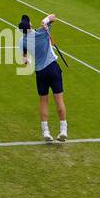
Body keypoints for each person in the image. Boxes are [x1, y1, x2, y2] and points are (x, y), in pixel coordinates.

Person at [19, 14, 67, 143]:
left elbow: (24, 59)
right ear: (30, 25)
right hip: (53, 68)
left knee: (43, 102)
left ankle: (46, 131)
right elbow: (53, 16)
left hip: (40, 72)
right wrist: (45, 21)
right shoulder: (42, 32)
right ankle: (63, 130)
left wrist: (28, 61)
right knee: (59, 99)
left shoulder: (22, 41)